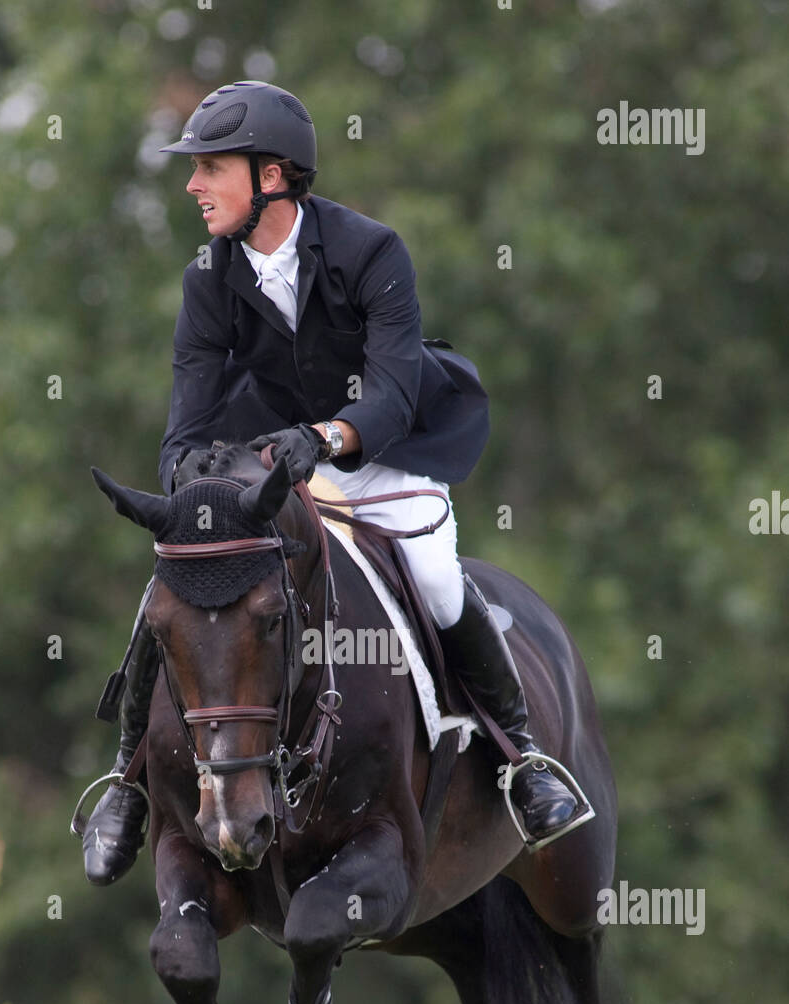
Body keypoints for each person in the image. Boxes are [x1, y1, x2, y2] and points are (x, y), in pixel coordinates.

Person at [78, 80, 587, 886]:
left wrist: (326, 436)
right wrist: (191, 496)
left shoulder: (369, 251)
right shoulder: (207, 279)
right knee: (171, 590)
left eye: (211, 167)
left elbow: (387, 393)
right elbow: (189, 417)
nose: (192, 185)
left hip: (383, 453)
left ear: (271, 177)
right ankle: (127, 784)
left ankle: (523, 759)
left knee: (436, 581)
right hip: (269, 474)